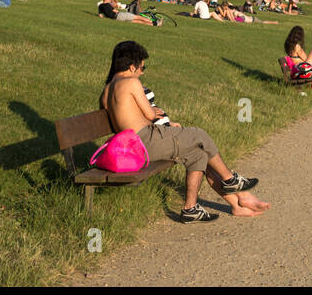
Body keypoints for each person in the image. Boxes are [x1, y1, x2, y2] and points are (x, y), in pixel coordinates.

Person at [100, 41, 261, 222]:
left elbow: (123, 118)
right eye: (142, 67)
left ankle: (190, 208)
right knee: (199, 134)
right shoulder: (131, 82)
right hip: (147, 140)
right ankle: (230, 179)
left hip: (134, 144)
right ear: (131, 66)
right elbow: (150, 114)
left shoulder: (107, 89)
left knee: (198, 155)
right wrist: (155, 112)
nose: (142, 71)